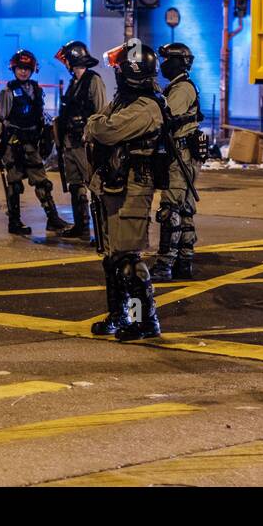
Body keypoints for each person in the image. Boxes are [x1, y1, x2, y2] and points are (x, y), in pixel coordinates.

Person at [85, 41, 165, 341]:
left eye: (119, 69)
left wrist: (96, 124)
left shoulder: (147, 107)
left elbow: (103, 129)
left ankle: (144, 320)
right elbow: (99, 121)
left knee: (128, 259)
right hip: (113, 184)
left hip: (134, 186)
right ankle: (119, 315)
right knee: (111, 258)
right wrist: (97, 123)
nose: (115, 74)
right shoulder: (125, 101)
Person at [0, 50, 70, 237]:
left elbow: (41, 117)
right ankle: (14, 221)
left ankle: (52, 219)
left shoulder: (37, 90)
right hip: (14, 144)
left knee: (41, 181)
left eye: (27, 68)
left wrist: (46, 137)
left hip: (32, 144)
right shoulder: (7, 93)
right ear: (14, 69)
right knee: (14, 184)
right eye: (20, 68)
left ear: (33, 70)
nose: (23, 72)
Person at [149, 43, 204, 282]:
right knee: (184, 210)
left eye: (166, 60)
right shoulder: (177, 87)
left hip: (180, 157)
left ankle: (165, 265)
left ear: (178, 62)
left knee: (170, 210)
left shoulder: (182, 88)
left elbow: (165, 116)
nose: (162, 65)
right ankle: (184, 261)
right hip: (184, 156)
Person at [54, 41, 108, 243]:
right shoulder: (74, 82)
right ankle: (81, 225)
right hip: (70, 142)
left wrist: (92, 136)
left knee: (94, 185)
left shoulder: (93, 80)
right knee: (75, 184)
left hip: (85, 143)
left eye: (67, 60)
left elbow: (100, 111)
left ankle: (103, 230)